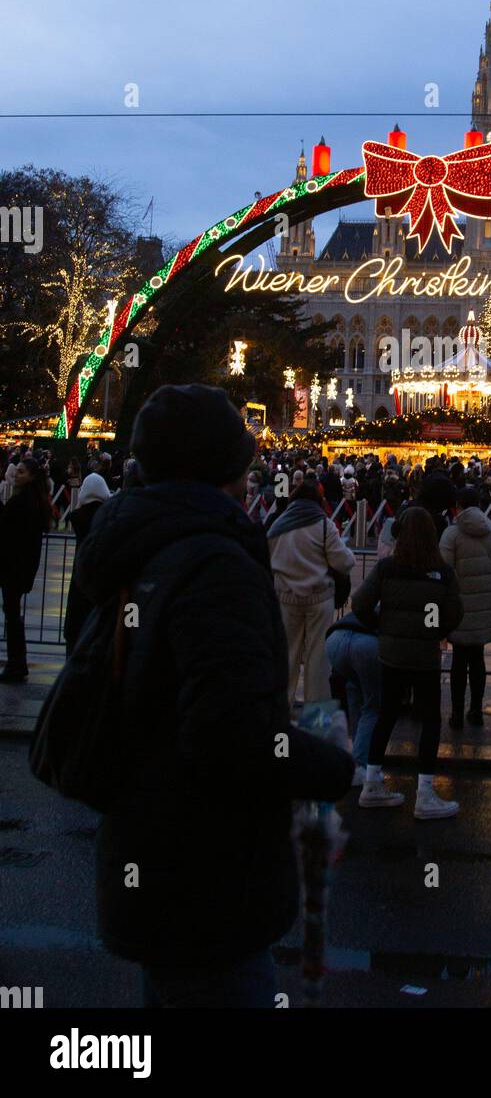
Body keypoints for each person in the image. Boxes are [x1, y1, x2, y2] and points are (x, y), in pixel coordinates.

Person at [73, 383, 354, 1007]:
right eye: (244, 455)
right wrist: (328, 765)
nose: (255, 469)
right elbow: (228, 735)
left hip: (147, 850)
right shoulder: (214, 562)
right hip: (207, 880)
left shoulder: (137, 541)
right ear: (220, 466)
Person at [352, 506, 463, 818]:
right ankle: (425, 792)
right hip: (426, 655)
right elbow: (455, 613)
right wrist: (437, 631)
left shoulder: (388, 568)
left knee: (386, 714)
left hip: (392, 654)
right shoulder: (442, 573)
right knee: (429, 719)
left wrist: (380, 626)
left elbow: (360, 602)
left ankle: (372, 782)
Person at [268, 480, 355, 707]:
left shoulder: (278, 526)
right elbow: (344, 562)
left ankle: (281, 710)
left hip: (285, 598)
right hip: (319, 599)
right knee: (318, 661)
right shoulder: (324, 526)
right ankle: (317, 719)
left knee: (287, 655)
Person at [439, 486, 491, 729]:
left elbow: (444, 569)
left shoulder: (451, 534)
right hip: (484, 606)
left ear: (459, 505)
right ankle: (476, 710)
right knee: (478, 660)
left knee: (459, 662)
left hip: (458, 606)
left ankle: (457, 714)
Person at [0, 458, 53, 682]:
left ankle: (16, 662)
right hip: (21, 567)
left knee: (12, 615)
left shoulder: (21, 502)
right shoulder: (34, 501)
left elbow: (6, 529)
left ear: (31, 476)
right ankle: (17, 662)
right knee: (13, 613)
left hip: (12, 565)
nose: (16, 475)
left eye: (21, 472)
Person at [325, 610, 381, 787]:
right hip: (368, 643)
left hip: (336, 637)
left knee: (354, 691)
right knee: (372, 707)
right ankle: (361, 764)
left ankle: (356, 759)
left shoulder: (378, 590)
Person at [62, 472, 112, 654]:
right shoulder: (108, 517)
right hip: (102, 585)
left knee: (76, 629)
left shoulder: (78, 518)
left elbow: (75, 514)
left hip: (80, 582)